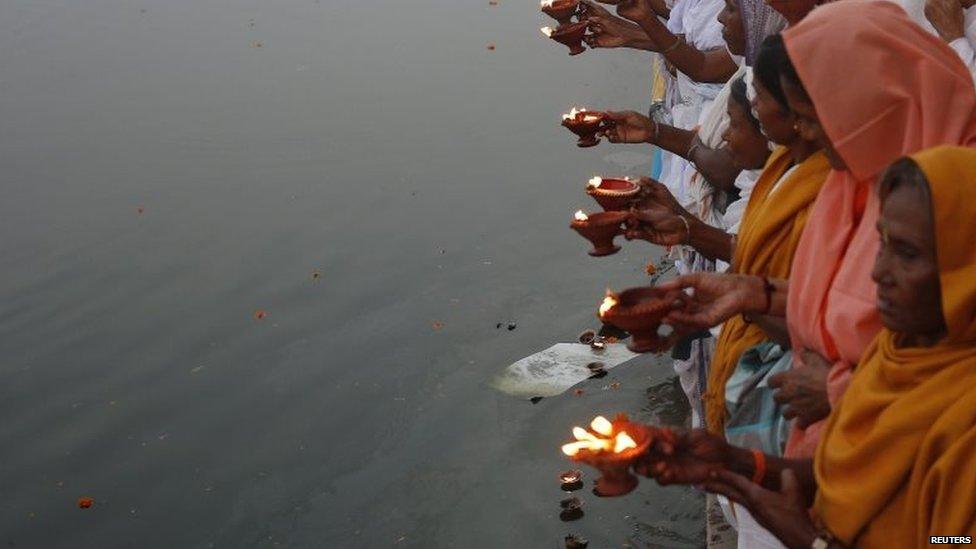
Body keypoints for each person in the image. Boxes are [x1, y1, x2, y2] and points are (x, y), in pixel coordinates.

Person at [659, 0, 976, 458]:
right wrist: (754, 294)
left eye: (811, 116)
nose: (800, 134)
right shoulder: (849, 180)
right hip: (821, 466)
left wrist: (846, 391)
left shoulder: (951, 196)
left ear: (870, 105)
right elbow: (832, 312)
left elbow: (950, 372)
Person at [628, 146, 976, 548]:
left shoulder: (963, 417)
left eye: (908, 254)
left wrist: (808, 539)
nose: (878, 272)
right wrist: (733, 463)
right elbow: (840, 475)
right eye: (881, 244)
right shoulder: (898, 355)